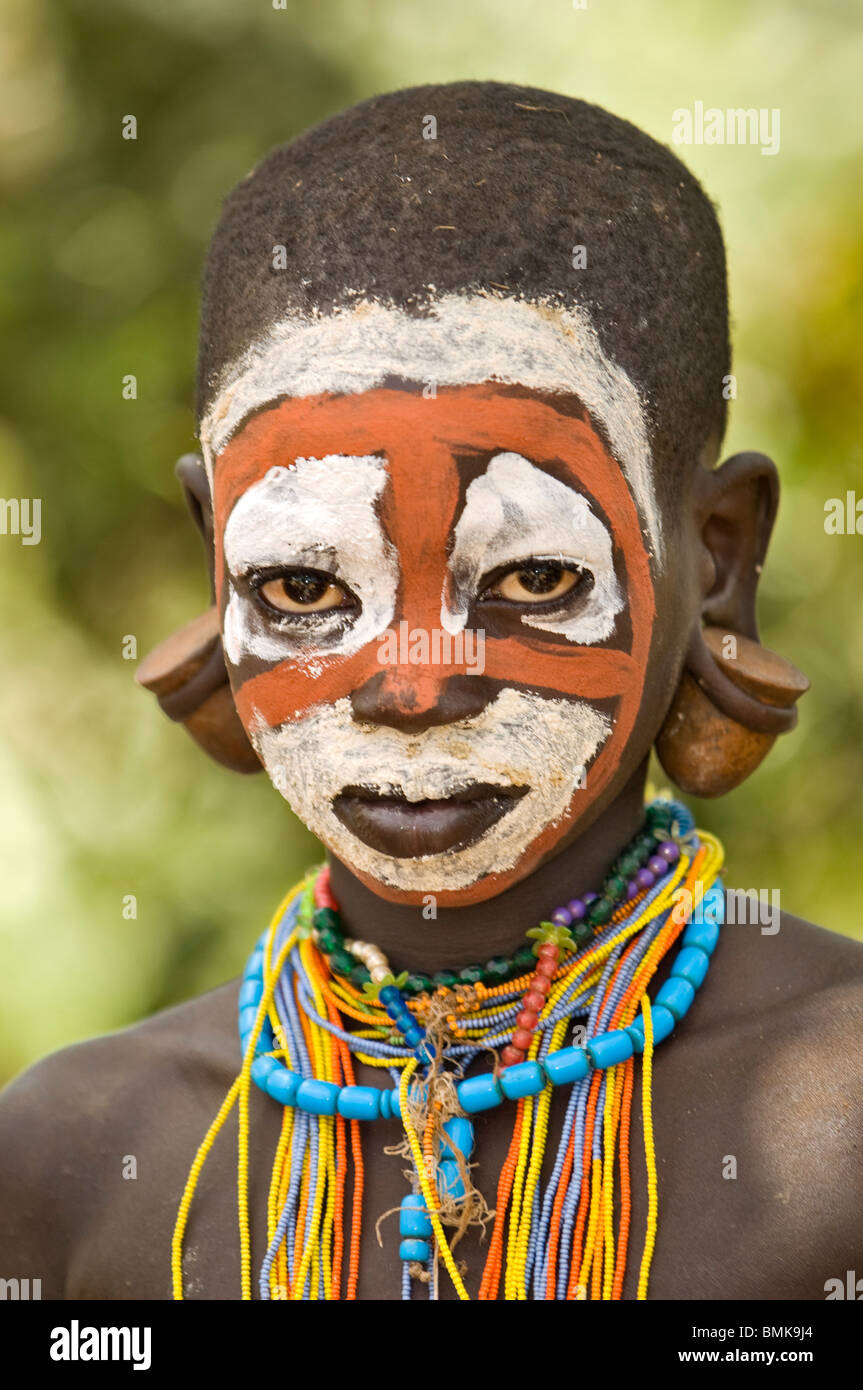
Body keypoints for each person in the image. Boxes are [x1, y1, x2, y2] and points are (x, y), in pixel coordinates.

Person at [1, 80, 861, 1302]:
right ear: (215, 552)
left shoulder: (837, 1127)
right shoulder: (71, 1162)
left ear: (714, 556)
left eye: (535, 575)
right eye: (302, 585)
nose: (410, 687)